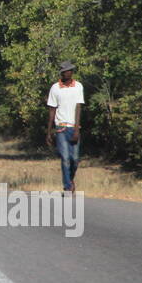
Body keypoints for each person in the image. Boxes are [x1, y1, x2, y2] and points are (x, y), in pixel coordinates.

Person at [45, 61, 84, 194]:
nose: (69, 73)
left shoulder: (78, 86)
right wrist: (49, 132)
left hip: (74, 127)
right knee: (65, 158)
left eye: (71, 70)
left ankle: (70, 179)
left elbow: (78, 107)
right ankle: (67, 187)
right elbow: (52, 110)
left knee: (75, 159)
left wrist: (77, 129)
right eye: (66, 71)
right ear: (62, 73)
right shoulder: (55, 88)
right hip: (61, 127)